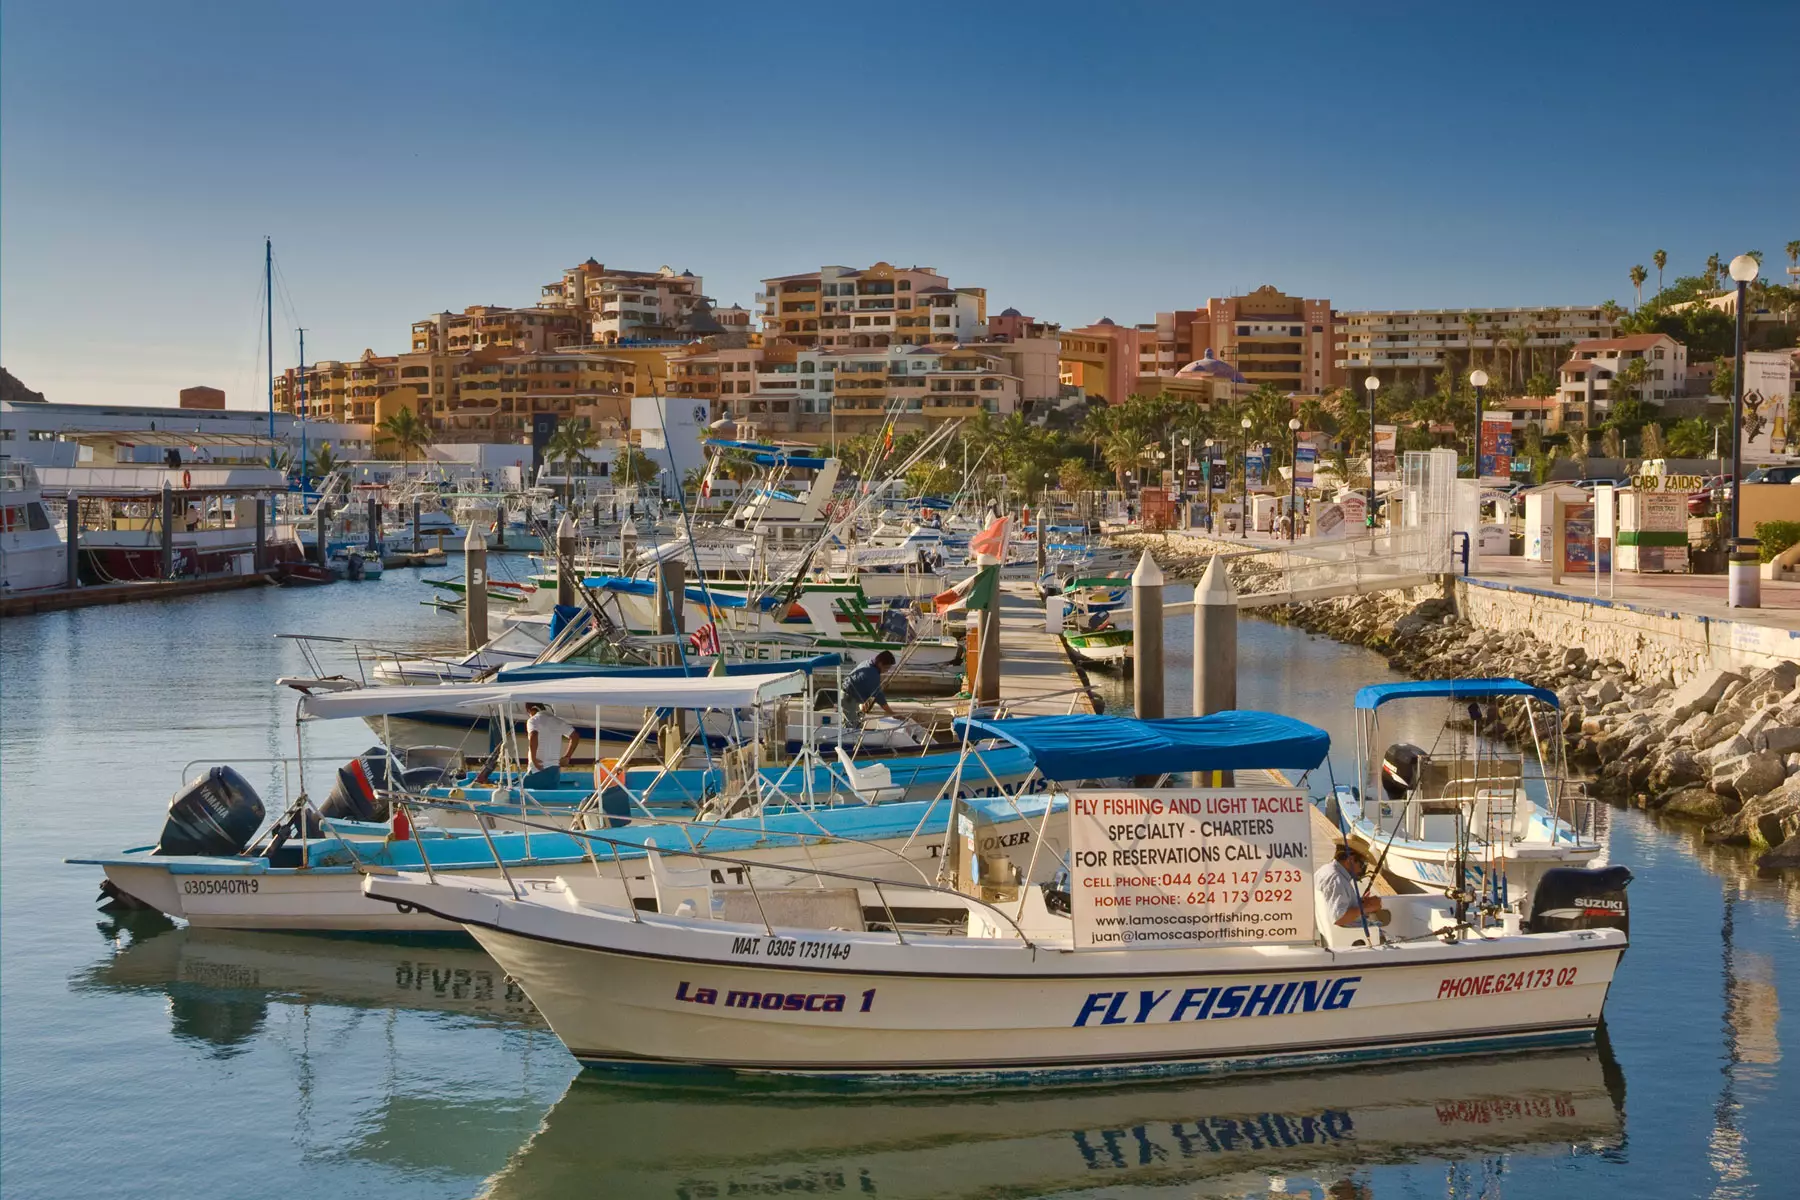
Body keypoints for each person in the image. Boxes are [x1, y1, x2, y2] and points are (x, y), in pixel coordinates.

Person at [1315, 843, 1388, 929]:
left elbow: (1334, 903)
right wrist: (1366, 908)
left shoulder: (1326, 869)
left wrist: (1359, 902)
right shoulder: (1337, 880)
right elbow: (1339, 918)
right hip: (1356, 934)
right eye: (1362, 864)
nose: (1362, 869)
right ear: (1350, 860)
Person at [839, 650, 898, 732]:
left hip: (849, 694)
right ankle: (848, 742)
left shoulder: (868, 662)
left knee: (854, 722)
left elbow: (861, 683)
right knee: (852, 727)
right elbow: (879, 697)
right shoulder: (872, 674)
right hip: (848, 698)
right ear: (880, 664)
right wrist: (892, 714)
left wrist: (864, 701)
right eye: (887, 668)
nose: (887, 671)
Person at [524, 701, 575, 787]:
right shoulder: (557, 721)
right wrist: (567, 756)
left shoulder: (533, 720)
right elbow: (575, 736)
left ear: (531, 710)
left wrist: (533, 759)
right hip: (554, 771)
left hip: (537, 769)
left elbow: (534, 735)